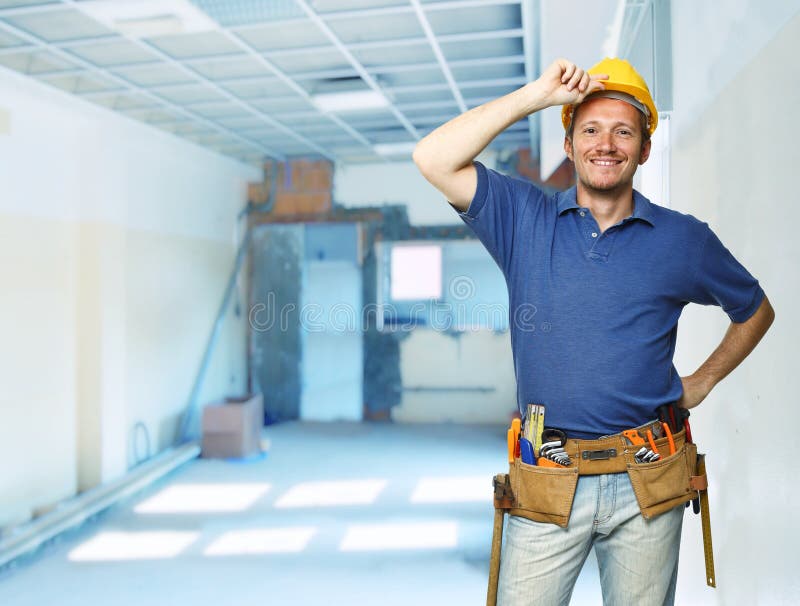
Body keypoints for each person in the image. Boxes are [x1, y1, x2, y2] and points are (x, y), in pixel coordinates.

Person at [412, 57, 775, 605]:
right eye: (590, 129)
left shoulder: (683, 240)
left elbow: (755, 308)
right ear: (569, 143)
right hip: (547, 477)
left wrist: (701, 381)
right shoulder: (522, 218)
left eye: (623, 131)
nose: (606, 144)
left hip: (648, 477)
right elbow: (432, 158)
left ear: (645, 149)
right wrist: (535, 95)